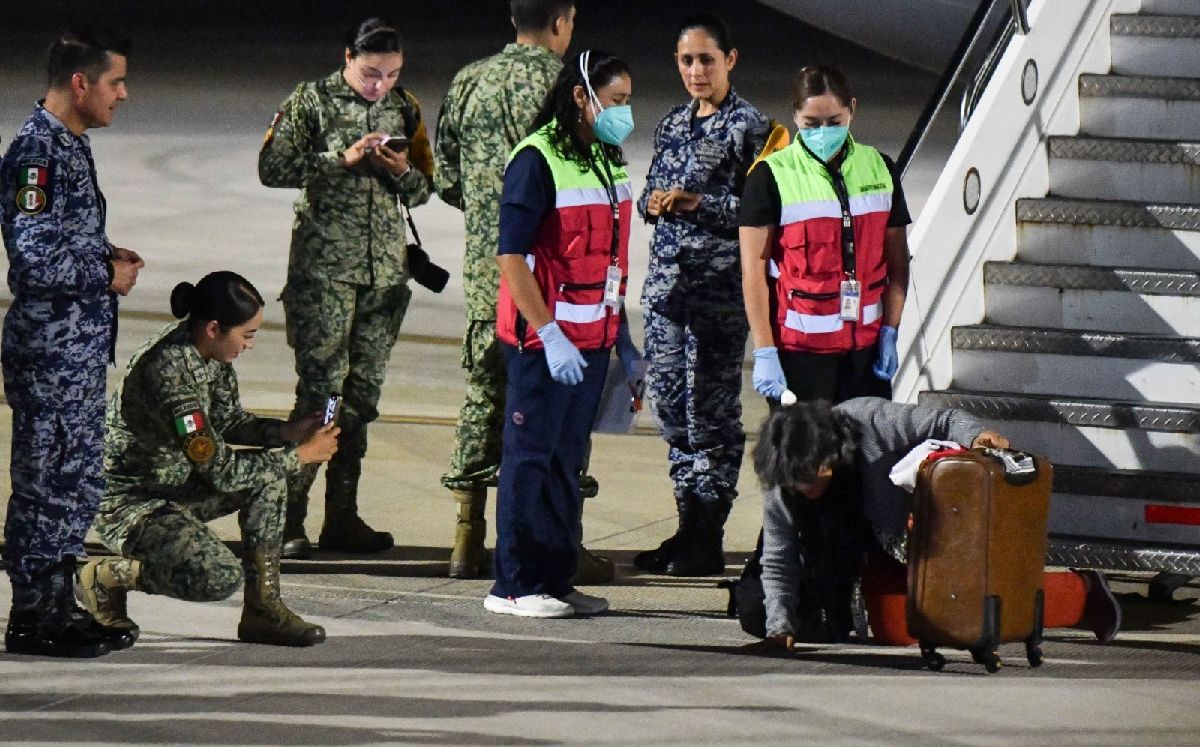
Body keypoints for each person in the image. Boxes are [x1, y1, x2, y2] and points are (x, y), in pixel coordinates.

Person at [81, 272, 340, 647]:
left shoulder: (210, 352)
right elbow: (222, 473)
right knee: (216, 578)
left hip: (176, 484)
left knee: (268, 480)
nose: (250, 345)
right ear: (215, 328)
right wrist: (301, 455)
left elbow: (228, 420)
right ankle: (104, 576)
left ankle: (262, 611)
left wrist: (288, 433)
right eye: (247, 335)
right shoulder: (169, 372)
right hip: (131, 503)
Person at [745, 398, 1122, 652]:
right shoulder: (783, 480)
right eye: (799, 483)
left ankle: (1081, 592)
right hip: (867, 551)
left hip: (926, 529)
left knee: (955, 611)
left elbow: (942, 418)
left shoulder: (868, 421)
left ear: (832, 455)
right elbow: (778, 559)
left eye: (817, 477)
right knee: (898, 630)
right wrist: (780, 628)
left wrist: (975, 436)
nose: (809, 488)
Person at [259, 17, 432, 559]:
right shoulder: (310, 101)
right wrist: (342, 159)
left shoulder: (404, 107)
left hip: (384, 278)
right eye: (370, 73)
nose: (380, 84)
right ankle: (288, 520)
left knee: (360, 400)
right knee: (321, 396)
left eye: (391, 73)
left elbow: (425, 189)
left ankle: (343, 518)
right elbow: (272, 166)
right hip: (324, 275)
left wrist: (401, 170)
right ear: (347, 58)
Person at [1, 27, 144, 658]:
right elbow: (31, 264)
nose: (123, 94)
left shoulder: (71, 146)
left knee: (76, 481)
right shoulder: (39, 153)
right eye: (115, 82)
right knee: (45, 483)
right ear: (80, 84)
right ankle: (32, 615)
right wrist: (103, 274)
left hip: (76, 351)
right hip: (51, 352)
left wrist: (101, 253)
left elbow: (58, 240)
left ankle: (58, 604)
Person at [485, 50, 638, 618]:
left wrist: (622, 340)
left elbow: (609, 258)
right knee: (529, 459)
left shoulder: (604, 155)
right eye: (616, 101)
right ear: (582, 96)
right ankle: (514, 585)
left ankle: (554, 577)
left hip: (594, 340)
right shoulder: (537, 159)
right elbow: (512, 257)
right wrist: (548, 333)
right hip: (544, 345)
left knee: (565, 463)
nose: (624, 113)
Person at [434, 0, 576, 580]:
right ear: (562, 21)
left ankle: (466, 535)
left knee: (483, 396)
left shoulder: (470, 79)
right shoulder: (567, 83)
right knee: (549, 407)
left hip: (483, 272)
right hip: (550, 274)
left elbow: (445, 176)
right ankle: (548, 537)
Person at [632, 14, 769, 578]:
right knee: (671, 411)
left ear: (730, 61)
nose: (696, 70)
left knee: (710, 413)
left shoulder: (750, 130)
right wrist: (655, 201)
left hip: (717, 296)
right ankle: (688, 524)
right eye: (686, 60)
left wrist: (698, 206)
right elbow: (646, 193)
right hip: (667, 292)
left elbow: (764, 212)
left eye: (707, 59)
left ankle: (706, 532)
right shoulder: (672, 124)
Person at [739, 64, 911, 406]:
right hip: (800, 356)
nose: (823, 132)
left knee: (866, 457)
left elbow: (898, 262)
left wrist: (890, 329)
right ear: (795, 117)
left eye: (834, 122)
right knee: (807, 460)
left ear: (853, 110)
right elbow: (753, 273)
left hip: (865, 355)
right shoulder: (769, 176)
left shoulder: (880, 167)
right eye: (811, 124)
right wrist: (764, 350)